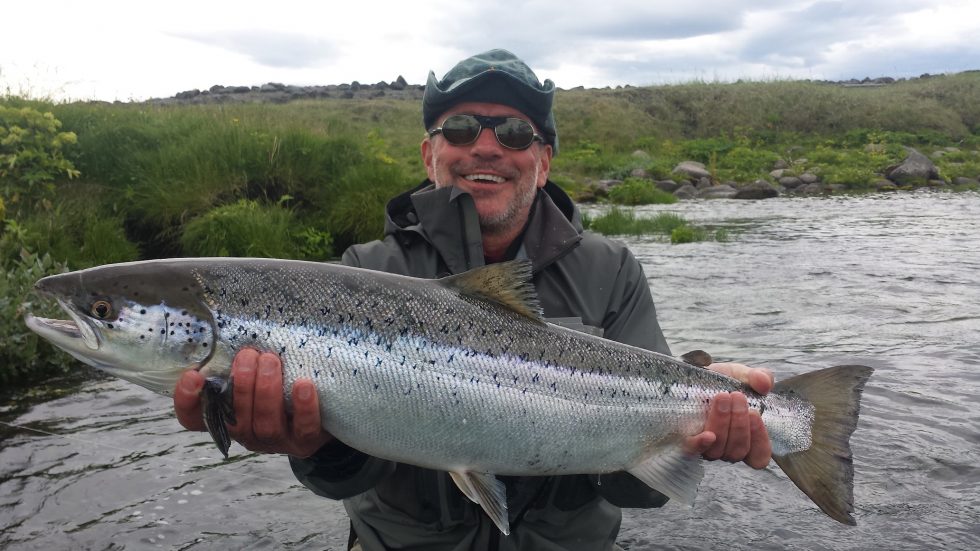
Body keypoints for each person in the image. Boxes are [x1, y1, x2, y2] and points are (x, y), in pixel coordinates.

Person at [174, 49, 774, 550]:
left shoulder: (610, 269)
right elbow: (347, 476)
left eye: (514, 132)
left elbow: (634, 490)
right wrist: (314, 449)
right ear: (429, 156)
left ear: (542, 163)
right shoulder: (369, 271)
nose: (486, 147)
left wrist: (700, 428)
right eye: (461, 129)